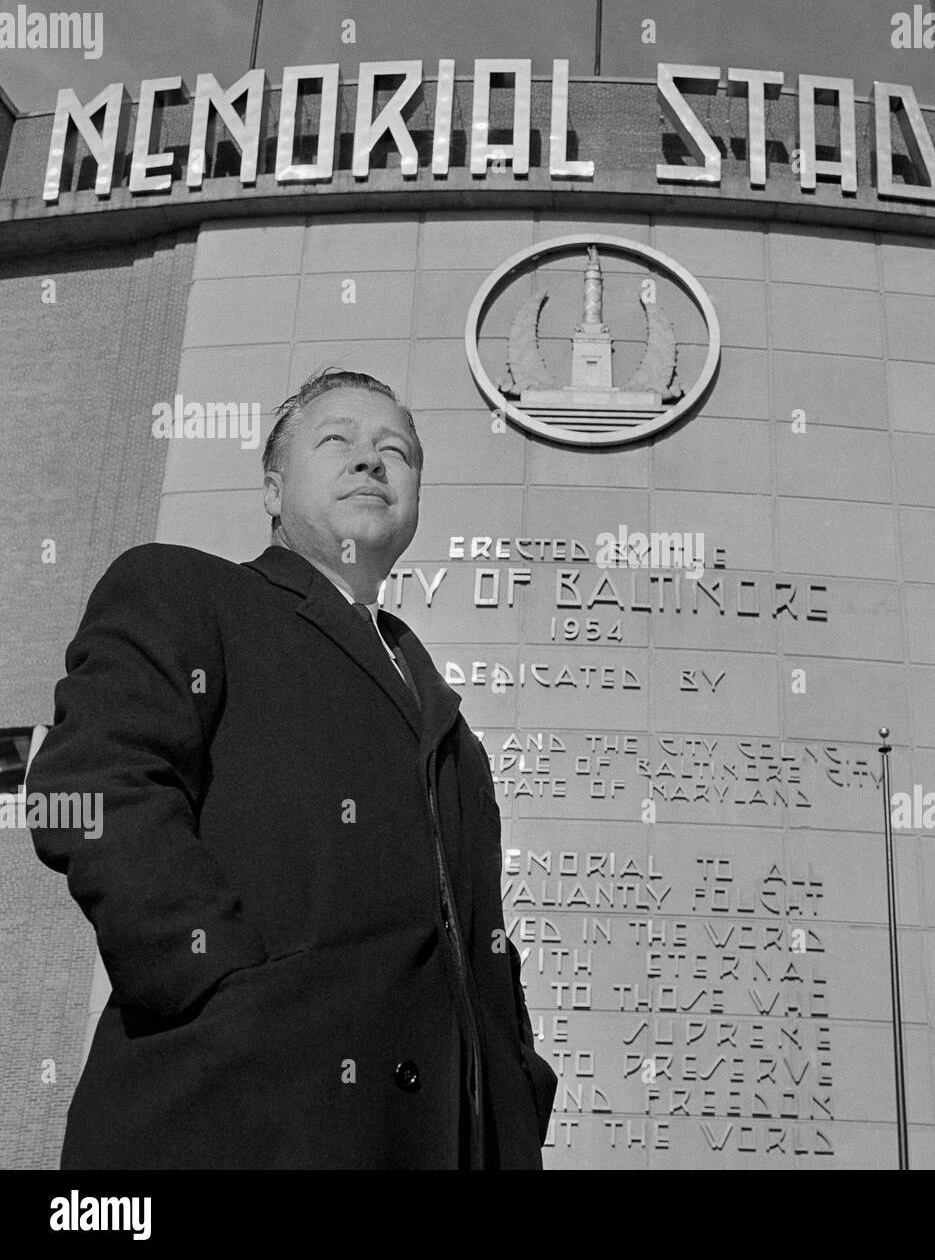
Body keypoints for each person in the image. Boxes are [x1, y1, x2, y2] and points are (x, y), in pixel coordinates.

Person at [27, 368, 557, 1169]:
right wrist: (213, 984)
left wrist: (516, 1081)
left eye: (396, 451)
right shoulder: (187, 591)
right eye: (337, 440)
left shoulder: (450, 727)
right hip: (230, 1122)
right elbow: (86, 788)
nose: (371, 462)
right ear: (272, 488)